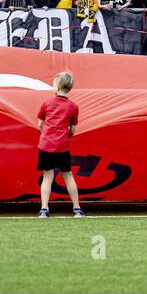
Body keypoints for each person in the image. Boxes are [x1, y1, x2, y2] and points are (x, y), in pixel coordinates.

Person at [37, 71, 85, 218]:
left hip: (46, 146)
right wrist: (65, 136)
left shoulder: (47, 103)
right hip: (62, 147)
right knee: (68, 176)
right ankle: (77, 209)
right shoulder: (73, 107)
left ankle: (44, 209)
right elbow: (73, 130)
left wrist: (47, 134)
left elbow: (40, 124)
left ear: (57, 86)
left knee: (47, 177)